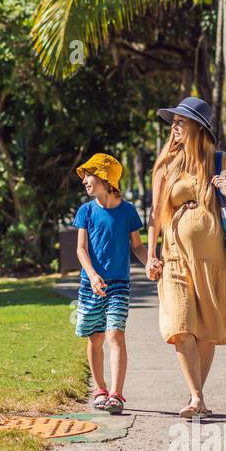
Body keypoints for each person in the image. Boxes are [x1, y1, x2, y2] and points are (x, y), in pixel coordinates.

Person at [145, 97, 226, 418]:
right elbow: (157, 214)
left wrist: (225, 192)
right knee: (181, 326)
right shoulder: (165, 167)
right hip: (174, 258)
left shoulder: (222, 162)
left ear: (198, 127)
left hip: (214, 262)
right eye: (173, 121)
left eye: (181, 121)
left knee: (206, 331)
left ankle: (196, 398)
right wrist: (150, 255)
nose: (174, 127)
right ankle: (196, 396)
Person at [72, 153, 150, 414]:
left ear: (106, 179)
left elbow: (137, 246)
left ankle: (116, 394)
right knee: (95, 337)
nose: (84, 180)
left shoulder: (127, 211)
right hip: (90, 283)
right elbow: (81, 249)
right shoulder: (86, 211)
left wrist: (151, 261)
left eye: (89, 175)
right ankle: (100, 389)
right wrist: (92, 275)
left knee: (115, 334)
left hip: (119, 284)